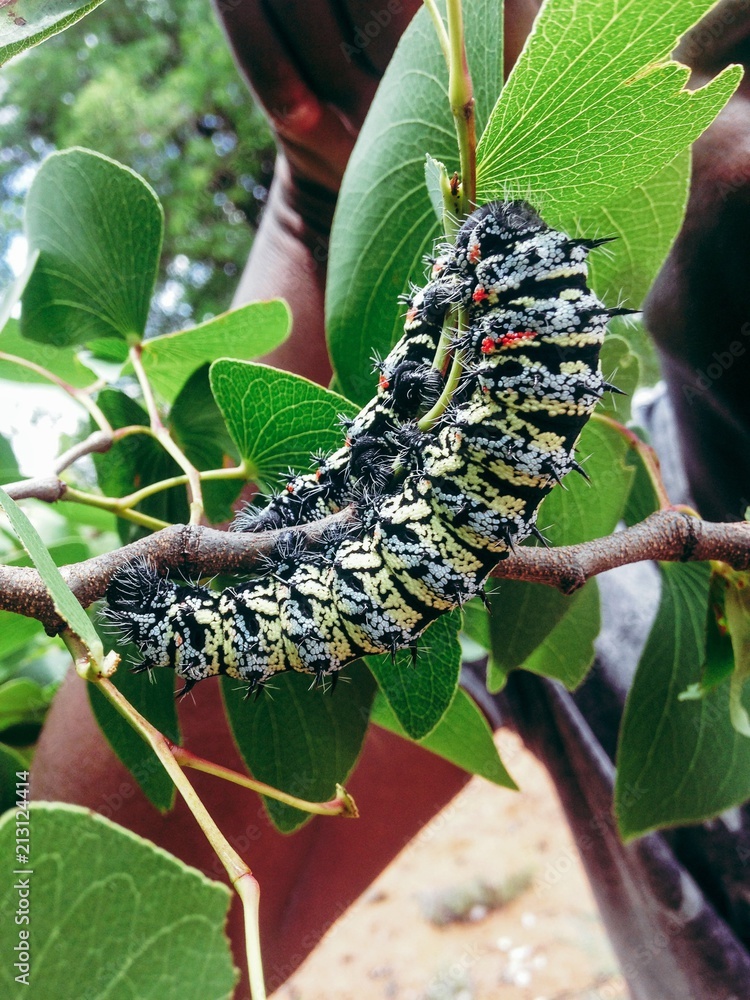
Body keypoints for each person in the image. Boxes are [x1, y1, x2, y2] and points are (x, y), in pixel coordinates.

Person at [30, 2, 750, 997]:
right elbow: (101, 955)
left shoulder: (578, 570)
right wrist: (326, 208)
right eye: (739, 59)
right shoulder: (565, 591)